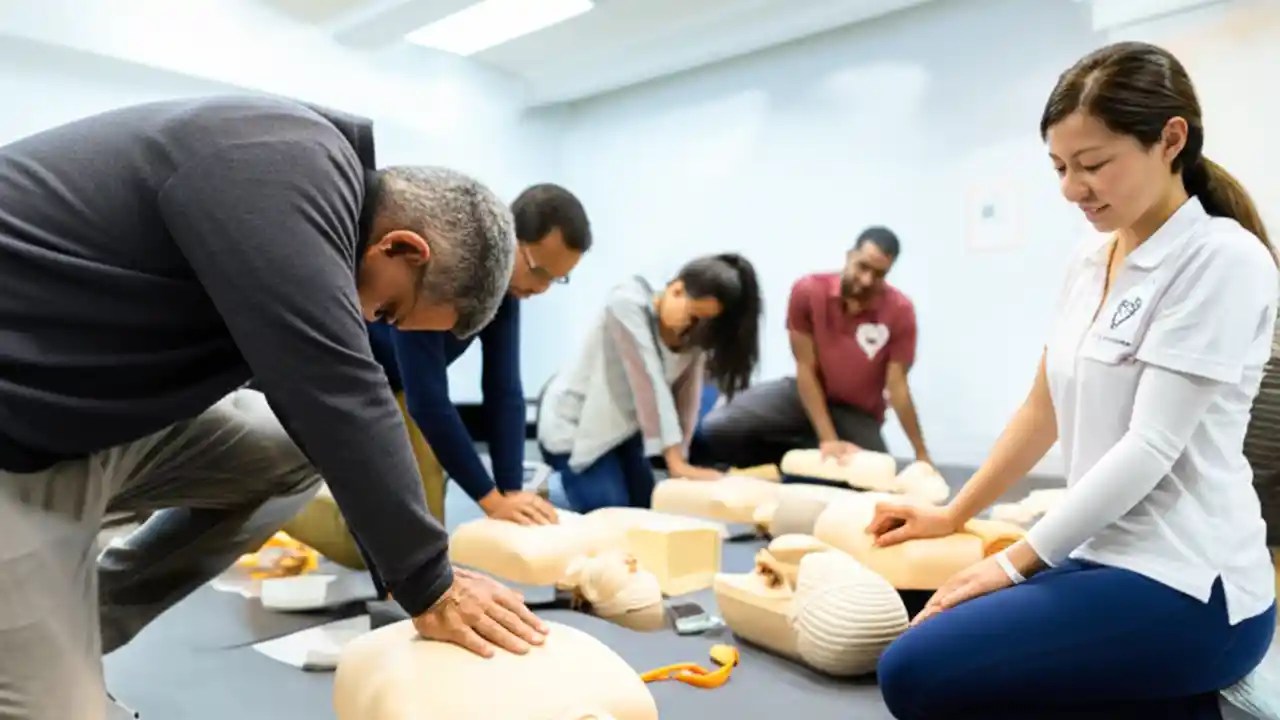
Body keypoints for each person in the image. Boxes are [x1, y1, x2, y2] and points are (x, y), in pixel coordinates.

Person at [0, 95, 547, 720]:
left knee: (283, 453)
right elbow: (335, 385)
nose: (372, 320)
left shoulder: (299, 181)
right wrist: (430, 582)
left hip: (87, 413)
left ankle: (78, 627)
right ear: (402, 248)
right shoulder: (279, 163)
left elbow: (321, 408)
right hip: (18, 428)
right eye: (389, 311)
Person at [870, 41, 1278, 719]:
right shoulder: (1092, 257)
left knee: (915, 671)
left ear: (1170, 139)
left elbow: (1151, 445)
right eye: (1060, 167)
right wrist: (952, 512)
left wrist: (1010, 565)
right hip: (1098, 553)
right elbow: (1042, 407)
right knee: (938, 639)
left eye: (1092, 165)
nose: (1070, 189)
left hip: (1189, 580)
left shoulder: (1222, 260)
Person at [281, 185, 590, 569]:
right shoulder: (451, 268)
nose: (542, 288)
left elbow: (503, 390)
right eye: (539, 270)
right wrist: (490, 499)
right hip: (353, 379)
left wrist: (511, 491)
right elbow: (427, 401)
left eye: (556, 279)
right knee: (402, 538)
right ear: (509, 239)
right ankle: (268, 504)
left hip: (398, 387)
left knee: (418, 537)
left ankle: (402, 590)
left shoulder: (507, 291)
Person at [537, 253, 762, 512]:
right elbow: (648, 380)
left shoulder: (694, 333)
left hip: (621, 434)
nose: (692, 328)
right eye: (692, 317)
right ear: (676, 289)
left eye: (703, 323)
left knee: (645, 507)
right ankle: (539, 490)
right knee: (609, 510)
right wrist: (676, 462)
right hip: (574, 428)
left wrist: (682, 459)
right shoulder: (626, 304)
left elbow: (688, 395)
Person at [698, 227, 931, 468]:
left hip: (856, 413)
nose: (867, 280)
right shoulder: (808, 291)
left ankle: (812, 448)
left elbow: (898, 387)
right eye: (863, 267)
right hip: (802, 394)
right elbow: (805, 368)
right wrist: (828, 439)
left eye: (879, 274)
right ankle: (797, 454)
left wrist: (922, 454)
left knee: (878, 470)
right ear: (849, 255)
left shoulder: (900, 311)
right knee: (717, 427)